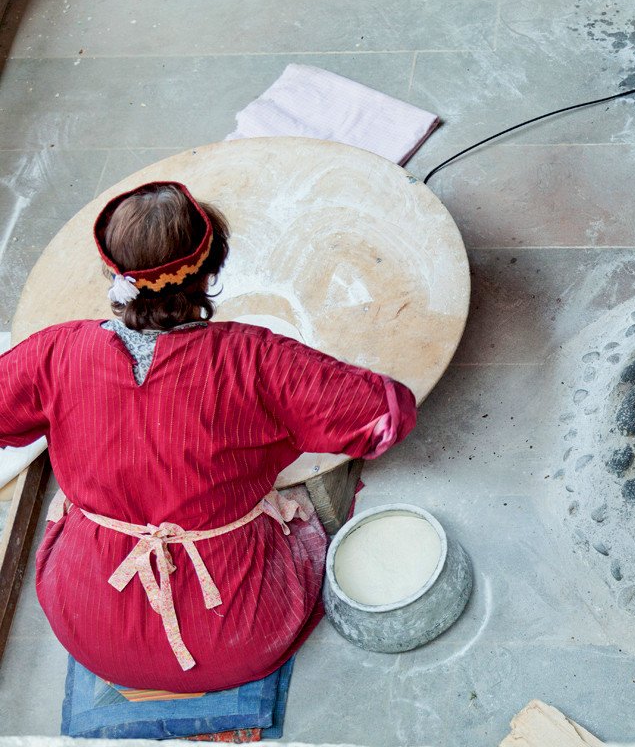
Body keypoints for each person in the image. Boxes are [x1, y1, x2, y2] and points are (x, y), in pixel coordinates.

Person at [0, 181, 417, 693]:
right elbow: (385, 416)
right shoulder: (255, 359)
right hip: (238, 634)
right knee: (300, 513)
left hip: (88, 624)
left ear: (112, 275)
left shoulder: (56, 353)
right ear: (212, 271)